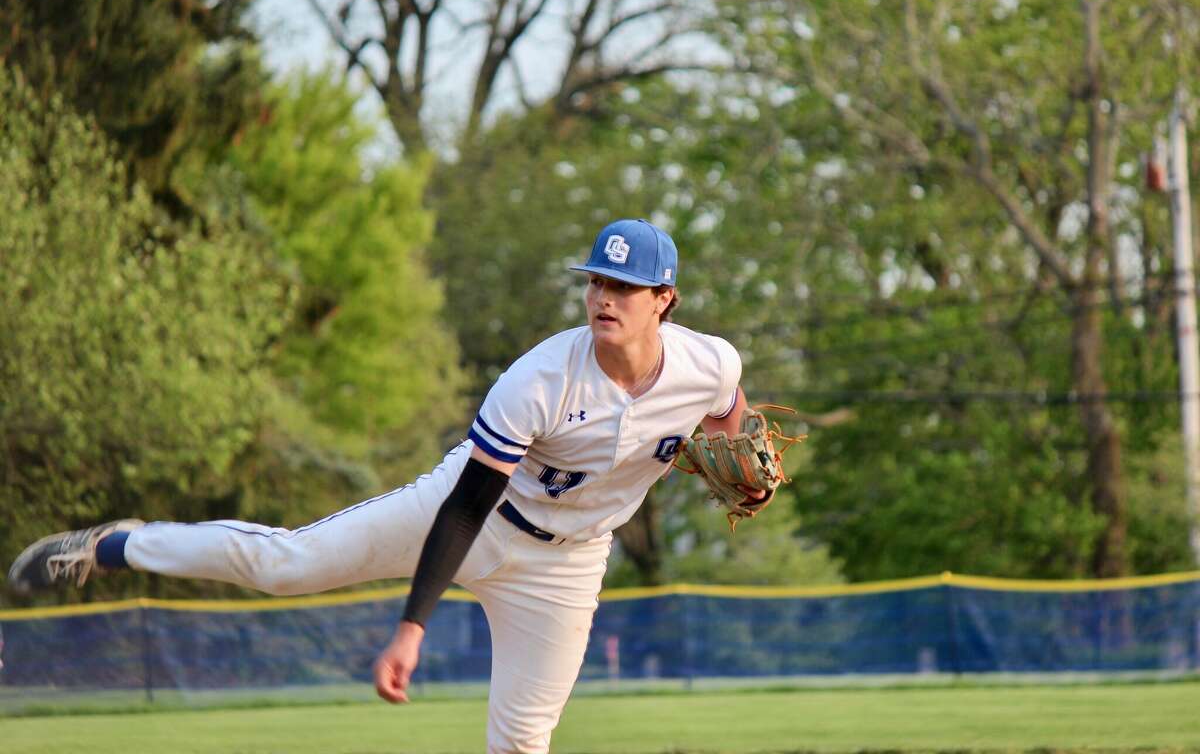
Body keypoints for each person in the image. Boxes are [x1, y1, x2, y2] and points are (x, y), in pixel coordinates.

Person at [8, 218, 766, 753]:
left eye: (625, 286)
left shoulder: (709, 363)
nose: (605, 297)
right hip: (470, 514)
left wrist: (747, 474)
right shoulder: (537, 379)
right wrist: (412, 626)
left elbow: (730, 414)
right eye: (598, 279)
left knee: (523, 741)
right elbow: (468, 507)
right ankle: (121, 546)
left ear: (664, 298)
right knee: (287, 565)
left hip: (567, 566)